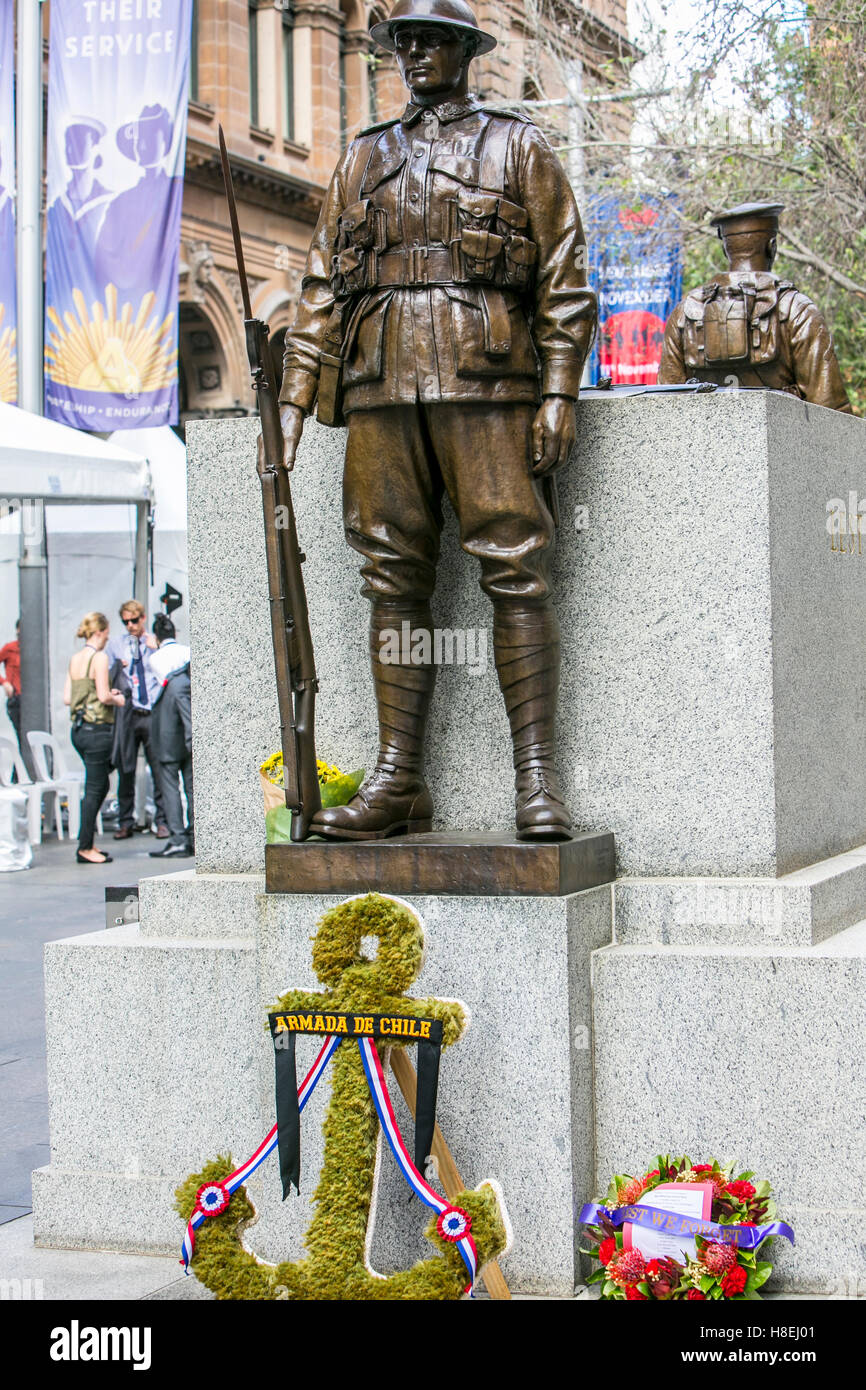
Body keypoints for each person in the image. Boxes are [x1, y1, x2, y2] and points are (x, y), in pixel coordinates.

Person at [278, 0, 596, 841]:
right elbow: (320, 284)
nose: (415, 54)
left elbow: (564, 279)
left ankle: (536, 781)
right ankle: (398, 780)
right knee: (390, 576)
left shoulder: (516, 145)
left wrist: (559, 390)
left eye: (432, 41)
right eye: (404, 43)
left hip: (486, 379)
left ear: (465, 51)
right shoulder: (362, 158)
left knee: (515, 568)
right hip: (381, 382)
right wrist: (292, 402)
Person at [658, 202, 852, 412]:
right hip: (785, 442)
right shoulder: (797, 310)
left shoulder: (686, 313)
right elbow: (831, 407)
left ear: (726, 250)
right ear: (772, 246)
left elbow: (667, 407)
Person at [63, 612, 125, 864]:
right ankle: (84, 847)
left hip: (78, 730)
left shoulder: (75, 659)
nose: (107, 638)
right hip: (97, 729)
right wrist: (117, 698)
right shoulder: (98, 657)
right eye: (107, 633)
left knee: (99, 785)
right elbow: (102, 696)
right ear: (100, 632)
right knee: (95, 788)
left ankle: (87, 843)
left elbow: (68, 698)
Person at [106, 599, 169, 839]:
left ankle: (162, 821)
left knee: (158, 766)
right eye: (126, 622)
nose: (130, 626)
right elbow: (107, 675)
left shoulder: (153, 642)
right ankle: (125, 821)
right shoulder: (116, 645)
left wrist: (156, 649)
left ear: (143, 618)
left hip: (150, 710)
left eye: (133, 620)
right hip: (129, 711)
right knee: (126, 768)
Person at [148, 615, 193, 859]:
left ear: (156, 637)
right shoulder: (187, 654)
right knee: (189, 786)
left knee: (170, 787)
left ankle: (178, 838)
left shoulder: (155, 660)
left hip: (168, 729)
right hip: (184, 731)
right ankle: (194, 836)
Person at [0, 618, 21, 752]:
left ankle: (19, 773)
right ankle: (18, 773)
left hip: (32, 701)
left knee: (28, 740)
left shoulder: (35, 649)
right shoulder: (11, 648)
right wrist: (4, 682)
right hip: (16, 699)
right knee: (22, 738)